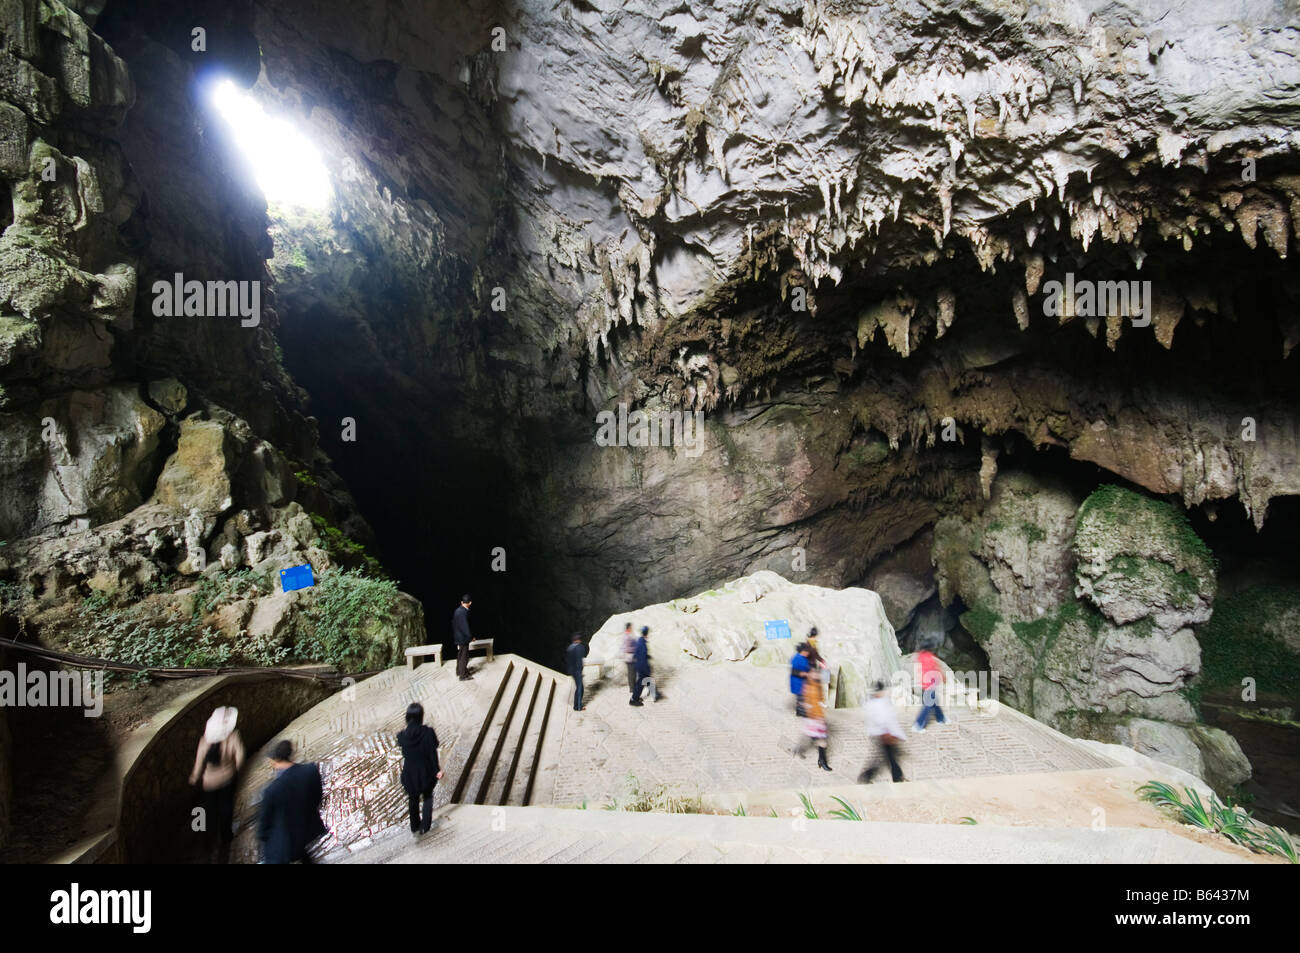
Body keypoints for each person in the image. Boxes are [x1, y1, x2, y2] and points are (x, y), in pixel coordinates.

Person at [257, 740, 328, 864]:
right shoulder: (310, 770)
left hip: (286, 840)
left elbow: (264, 826)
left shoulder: (272, 790)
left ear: (275, 760)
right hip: (308, 828)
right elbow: (318, 796)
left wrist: (264, 836)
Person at [188, 706, 244, 863]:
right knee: (226, 806)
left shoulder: (204, 741)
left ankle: (207, 838)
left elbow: (199, 764)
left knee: (207, 810)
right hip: (228, 779)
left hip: (209, 783)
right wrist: (238, 769)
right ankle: (226, 835)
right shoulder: (233, 736)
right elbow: (240, 756)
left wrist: (194, 777)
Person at [395, 703, 442, 834]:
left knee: (413, 799)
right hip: (426, 771)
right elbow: (433, 752)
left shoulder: (402, 736)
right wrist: (436, 770)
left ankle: (414, 825)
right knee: (427, 797)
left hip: (409, 773)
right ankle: (425, 826)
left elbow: (401, 745)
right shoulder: (428, 733)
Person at [859, 681, 906, 783]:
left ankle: (897, 777)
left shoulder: (874, 702)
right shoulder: (879, 703)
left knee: (889, 757)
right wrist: (897, 734)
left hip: (880, 734)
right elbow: (886, 720)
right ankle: (867, 776)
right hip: (884, 735)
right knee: (887, 758)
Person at [797, 665, 831, 771]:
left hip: (818, 718)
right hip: (812, 719)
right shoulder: (808, 686)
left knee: (818, 740)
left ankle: (820, 759)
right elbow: (807, 703)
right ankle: (822, 761)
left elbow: (820, 699)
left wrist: (822, 707)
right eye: (814, 673)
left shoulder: (817, 684)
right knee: (820, 741)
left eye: (817, 673)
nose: (816, 674)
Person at [913, 645, 947, 733]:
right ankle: (918, 725)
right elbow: (935, 669)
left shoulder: (920, 656)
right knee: (928, 705)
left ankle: (941, 718)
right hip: (929, 684)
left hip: (924, 684)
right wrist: (942, 677)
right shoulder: (929, 657)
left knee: (935, 701)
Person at [452, 594, 474, 681]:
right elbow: (465, 627)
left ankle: (459, 670)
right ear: (470, 603)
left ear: (461, 602)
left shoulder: (457, 610)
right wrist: (471, 637)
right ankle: (463, 675)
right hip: (463, 638)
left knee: (460, 655)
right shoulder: (463, 613)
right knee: (464, 656)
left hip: (458, 636)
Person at [566, 633, 589, 711]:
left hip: (572, 670)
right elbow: (580, 660)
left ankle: (576, 705)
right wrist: (580, 671)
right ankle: (578, 706)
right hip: (577, 671)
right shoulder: (580, 647)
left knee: (579, 687)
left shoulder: (570, 648)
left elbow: (568, 660)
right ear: (579, 640)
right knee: (580, 688)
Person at [630, 625, 653, 706]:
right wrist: (646, 669)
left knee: (641, 683)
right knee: (640, 684)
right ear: (647, 633)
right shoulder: (642, 643)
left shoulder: (640, 641)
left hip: (639, 666)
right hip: (642, 667)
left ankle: (635, 697)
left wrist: (647, 656)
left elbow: (636, 654)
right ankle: (633, 700)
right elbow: (642, 657)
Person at [790, 643, 812, 714]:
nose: (808, 653)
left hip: (801, 682)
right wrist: (803, 673)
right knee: (801, 697)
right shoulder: (797, 658)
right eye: (807, 652)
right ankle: (801, 711)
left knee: (801, 697)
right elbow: (794, 671)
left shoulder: (802, 658)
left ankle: (800, 710)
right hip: (797, 681)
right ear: (803, 651)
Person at [621, 622, 637, 698]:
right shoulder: (627, 636)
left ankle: (633, 687)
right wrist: (635, 648)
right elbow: (627, 648)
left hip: (631, 657)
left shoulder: (628, 635)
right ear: (629, 628)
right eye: (631, 627)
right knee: (631, 673)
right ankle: (632, 688)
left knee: (632, 673)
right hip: (630, 656)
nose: (632, 628)